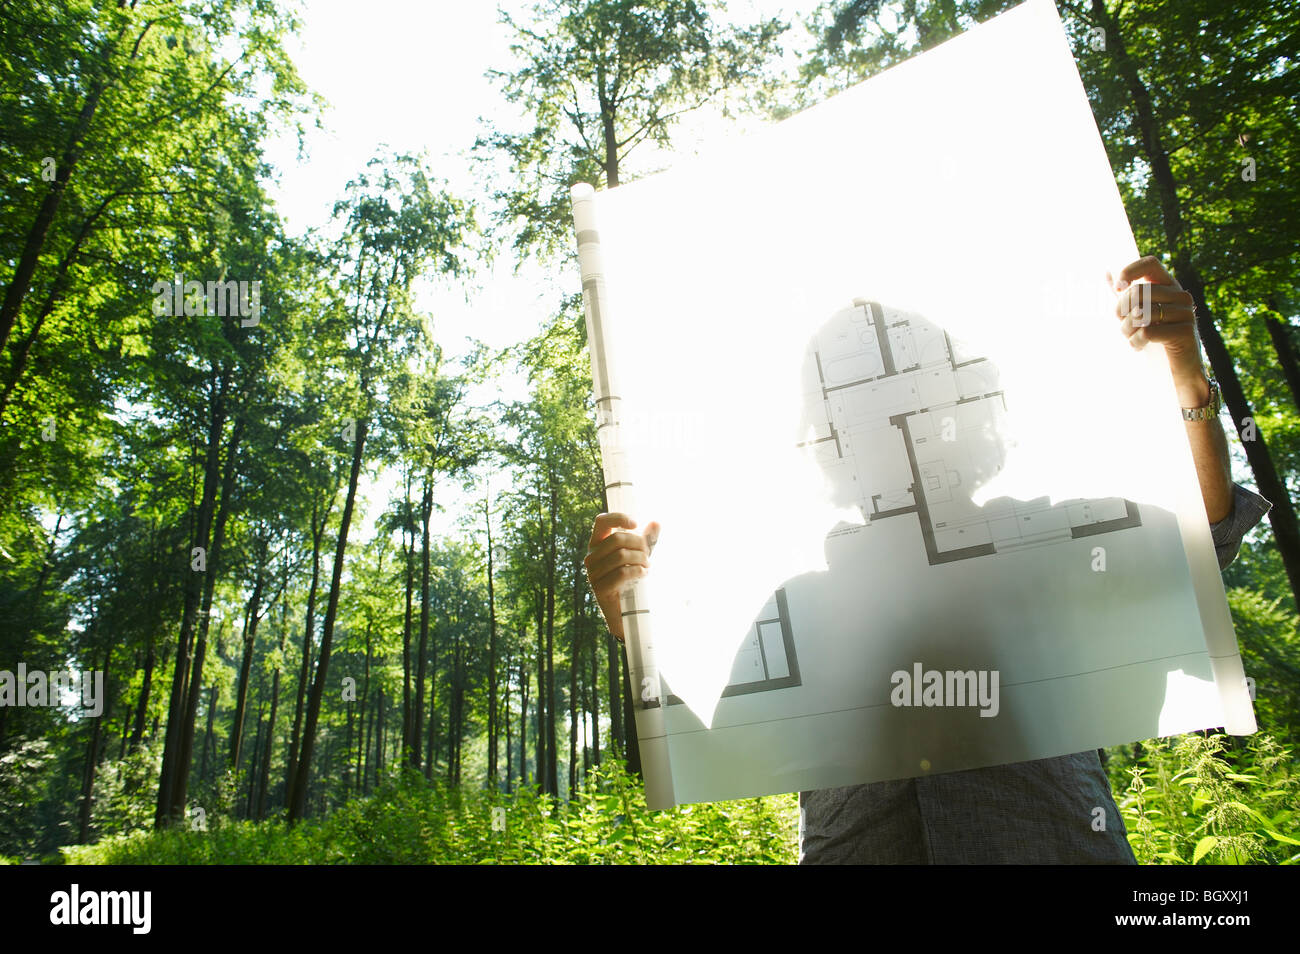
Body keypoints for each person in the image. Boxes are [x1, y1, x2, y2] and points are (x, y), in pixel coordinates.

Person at [583, 256, 1272, 864]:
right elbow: (722, 753)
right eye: (853, 405)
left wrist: (1183, 366)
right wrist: (632, 625)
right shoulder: (800, 603)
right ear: (829, 437)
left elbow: (1202, 540)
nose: (891, 419)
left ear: (960, 403)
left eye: (911, 389)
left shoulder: (1050, 544)